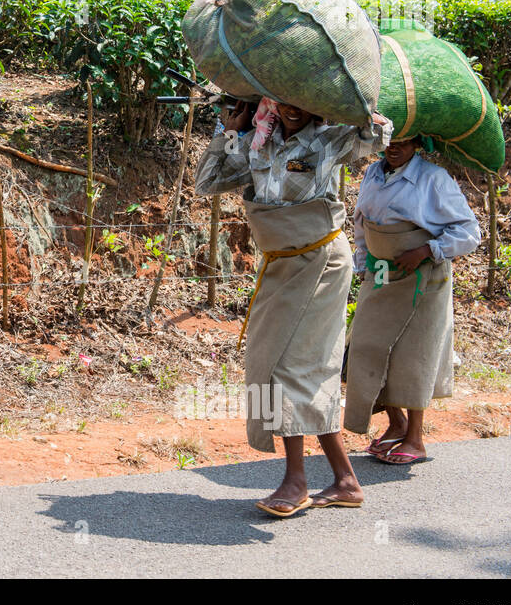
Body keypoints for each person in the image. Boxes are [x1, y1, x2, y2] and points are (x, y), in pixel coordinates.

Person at [195, 98, 391, 518]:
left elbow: (377, 136)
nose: (292, 109)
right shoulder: (256, 145)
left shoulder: (330, 140)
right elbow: (208, 182)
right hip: (280, 263)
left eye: (302, 99)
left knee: (293, 367)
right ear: (269, 103)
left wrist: (360, 106)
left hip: (320, 260)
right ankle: (344, 480)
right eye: (283, 101)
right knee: (277, 363)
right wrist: (230, 129)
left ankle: (296, 480)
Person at [344, 135, 480, 465]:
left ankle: (416, 439)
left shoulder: (433, 179)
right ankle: (396, 423)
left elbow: (469, 231)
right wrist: (363, 264)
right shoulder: (372, 174)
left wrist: (425, 251)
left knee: (413, 355)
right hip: (380, 275)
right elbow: (362, 224)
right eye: (391, 140)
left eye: (404, 142)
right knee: (366, 347)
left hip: (424, 278)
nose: (395, 147)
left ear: (418, 144)